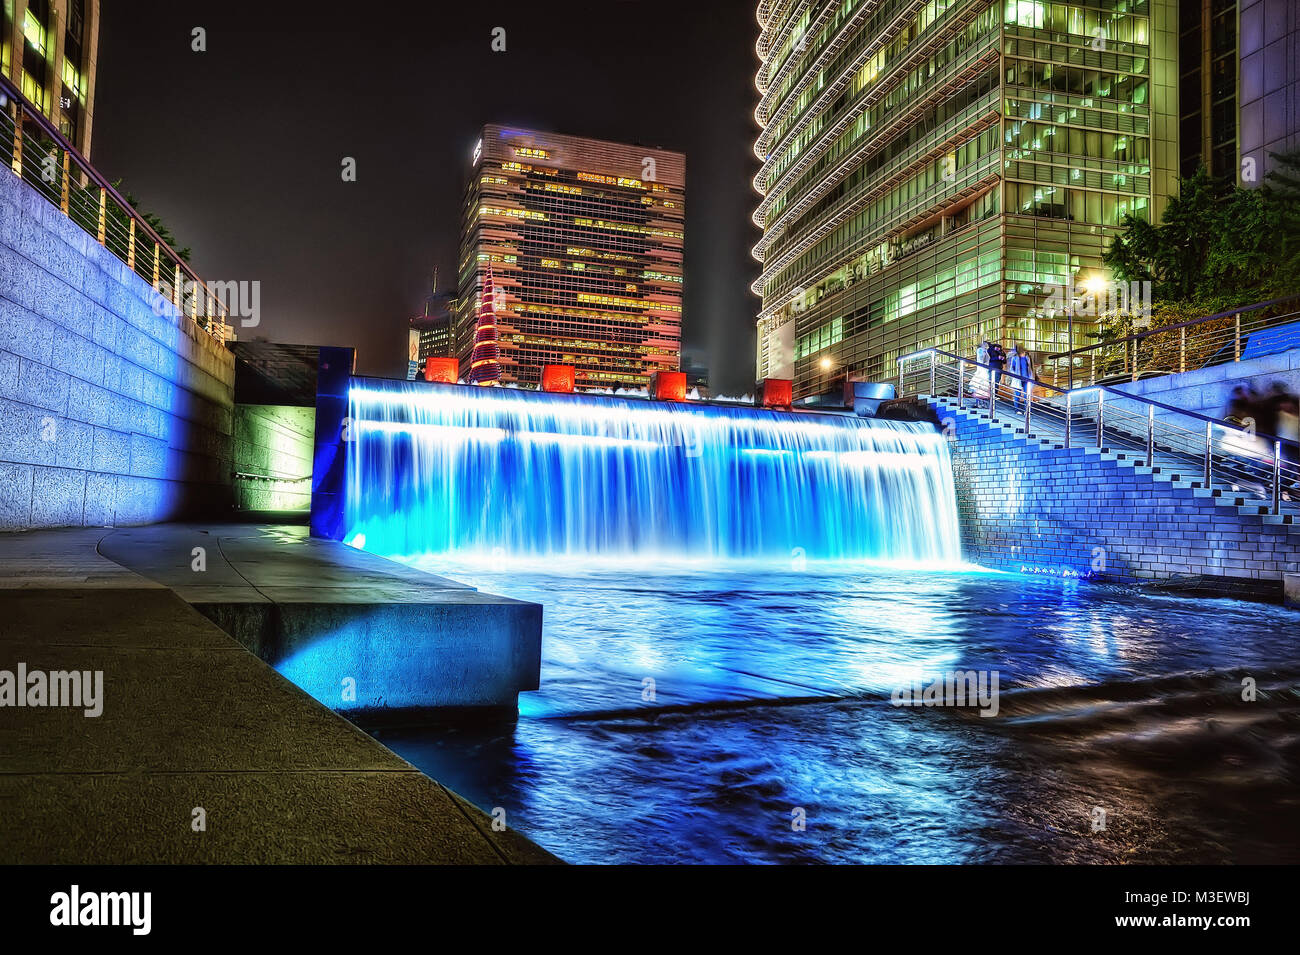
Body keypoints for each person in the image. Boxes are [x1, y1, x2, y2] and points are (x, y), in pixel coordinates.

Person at [1010, 344, 1035, 412]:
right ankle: (1017, 409)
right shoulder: (1015, 358)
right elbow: (1012, 368)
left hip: (1027, 378)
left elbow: (1031, 368)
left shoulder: (1028, 358)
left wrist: (1033, 376)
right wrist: (1015, 374)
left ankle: (1026, 410)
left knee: (1027, 395)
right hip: (1018, 378)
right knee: (1017, 395)